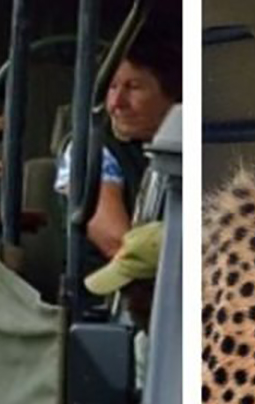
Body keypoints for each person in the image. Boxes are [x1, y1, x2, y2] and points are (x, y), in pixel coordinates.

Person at [55, 38, 181, 267]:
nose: (116, 103)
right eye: (111, 87)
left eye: (132, 87)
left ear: (172, 94)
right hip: (113, 296)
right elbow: (120, 245)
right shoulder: (91, 150)